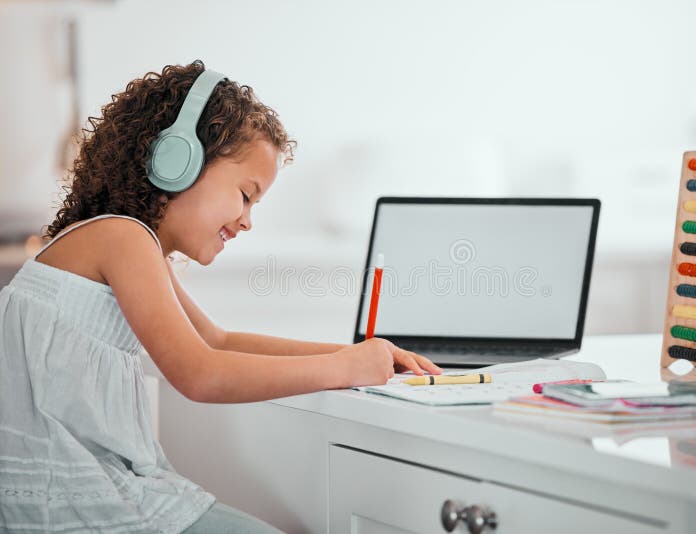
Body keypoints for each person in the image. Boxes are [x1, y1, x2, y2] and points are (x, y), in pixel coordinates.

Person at [0, 60, 441, 533]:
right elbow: (200, 374)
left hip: (68, 498)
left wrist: (357, 353)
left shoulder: (120, 242)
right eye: (246, 195)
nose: (248, 220)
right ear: (176, 160)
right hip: (76, 504)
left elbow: (217, 340)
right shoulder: (121, 238)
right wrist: (343, 369)